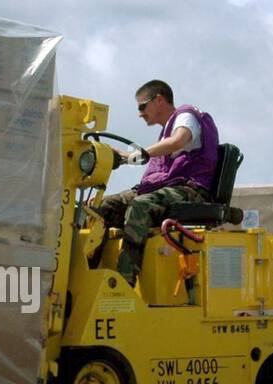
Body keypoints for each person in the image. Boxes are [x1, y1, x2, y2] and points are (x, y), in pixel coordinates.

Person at [94, 80, 219, 286]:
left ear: (159, 100)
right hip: (170, 187)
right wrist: (125, 157)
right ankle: (91, 273)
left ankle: (124, 283)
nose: (140, 113)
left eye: (142, 106)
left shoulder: (186, 116)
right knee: (101, 207)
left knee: (141, 205)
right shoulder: (165, 132)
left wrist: (133, 155)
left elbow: (179, 140)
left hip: (191, 189)